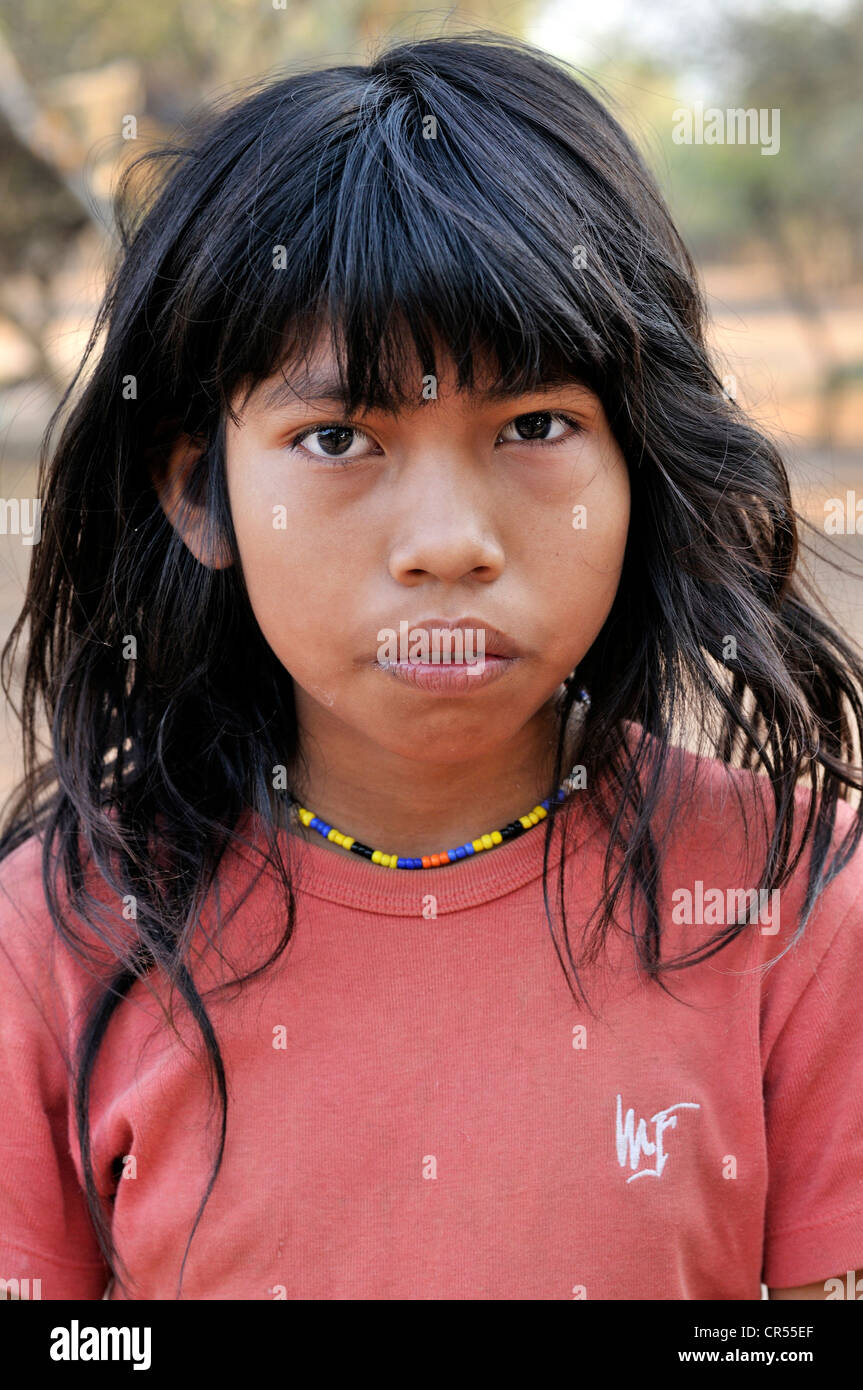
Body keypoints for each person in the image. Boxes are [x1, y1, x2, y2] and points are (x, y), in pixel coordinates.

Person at [0, 31, 861, 1302]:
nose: (448, 544)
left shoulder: (792, 904)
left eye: (534, 426)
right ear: (202, 495)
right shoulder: (61, 932)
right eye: (339, 434)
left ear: (639, 463)